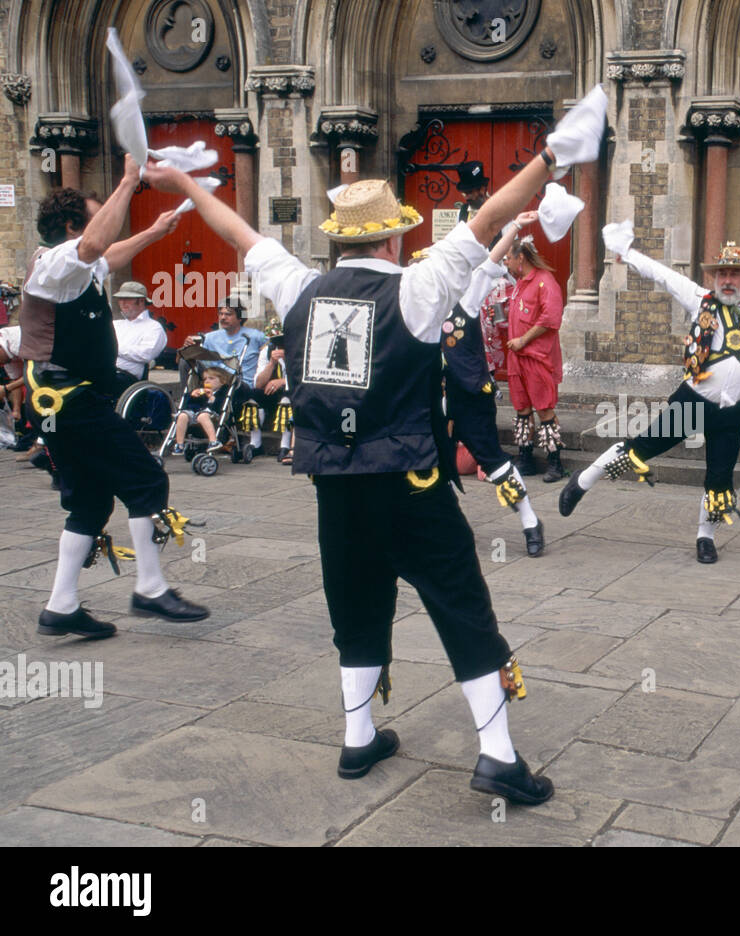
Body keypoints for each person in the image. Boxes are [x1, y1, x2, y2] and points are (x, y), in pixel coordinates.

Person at [147, 90, 605, 800]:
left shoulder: (299, 288)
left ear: (340, 239)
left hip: (336, 486)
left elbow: (239, 234)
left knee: (355, 604)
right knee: (460, 603)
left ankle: (358, 739)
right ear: (393, 237)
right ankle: (497, 756)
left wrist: (180, 184)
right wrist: (549, 156)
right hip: (412, 484)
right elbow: (484, 222)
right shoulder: (419, 289)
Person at [559, 230, 740, 563]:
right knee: (641, 449)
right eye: (721, 273)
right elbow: (663, 275)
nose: (726, 279)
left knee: (720, 477)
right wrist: (629, 254)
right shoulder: (699, 299)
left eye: (734, 273)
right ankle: (584, 479)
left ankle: (705, 538)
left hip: (731, 412)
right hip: (691, 404)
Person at [20, 163, 208, 641]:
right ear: (72, 225)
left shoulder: (73, 266)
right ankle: (149, 587)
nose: (105, 217)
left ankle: (60, 606)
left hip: (61, 402)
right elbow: (94, 247)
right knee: (146, 480)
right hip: (73, 401)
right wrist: (129, 181)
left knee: (89, 501)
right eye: (95, 212)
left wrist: (153, 230)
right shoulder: (60, 262)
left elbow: (107, 253)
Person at [430, 210, 546, 557]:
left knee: (493, 461)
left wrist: (513, 226)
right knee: (428, 464)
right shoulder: (415, 309)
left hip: (469, 395)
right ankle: (442, 527)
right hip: (430, 399)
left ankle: (530, 521)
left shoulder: (463, 301)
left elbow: (493, 258)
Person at [504, 237, 568, 481]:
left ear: (521, 258)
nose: (506, 263)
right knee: (521, 408)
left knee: (544, 409)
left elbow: (551, 319)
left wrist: (523, 340)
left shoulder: (545, 282)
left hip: (537, 357)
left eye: (508, 258)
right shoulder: (520, 283)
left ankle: (555, 463)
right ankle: (525, 458)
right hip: (516, 357)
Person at [185, 294, 268, 455]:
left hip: (241, 385)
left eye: (228, 314)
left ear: (240, 317)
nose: (223, 317)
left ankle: (216, 423)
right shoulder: (210, 337)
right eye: (221, 314)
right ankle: (190, 409)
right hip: (214, 383)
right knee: (185, 362)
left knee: (229, 385)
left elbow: (274, 349)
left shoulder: (255, 336)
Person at [111, 280, 168, 397]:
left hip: (126, 377)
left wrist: (113, 348)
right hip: (105, 370)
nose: (123, 303)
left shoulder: (153, 327)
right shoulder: (115, 324)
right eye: (120, 299)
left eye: (127, 299)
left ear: (141, 301)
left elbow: (145, 354)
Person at [252, 319, 294, 465]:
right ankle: (255, 444)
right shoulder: (267, 351)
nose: (280, 345)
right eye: (276, 341)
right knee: (253, 398)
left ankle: (285, 445)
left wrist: (282, 381)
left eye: (282, 341)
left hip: (291, 393)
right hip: (272, 393)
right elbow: (258, 383)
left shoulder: (299, 349)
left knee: (286, 401)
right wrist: (272, 364)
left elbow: (303, 378)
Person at [172, 368, 230, 452]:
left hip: (213, 415)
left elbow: (220, 406)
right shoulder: (201, 391)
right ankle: (179, 444)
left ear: (222, 381)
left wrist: (211, 398)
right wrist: (192, 396)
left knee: (202, 416)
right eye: (205, 379)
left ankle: (214, 441)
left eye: (211, 378)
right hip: (195, 413)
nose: (207, 381)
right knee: (182, 415)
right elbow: (188, 406)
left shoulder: (223, 392)